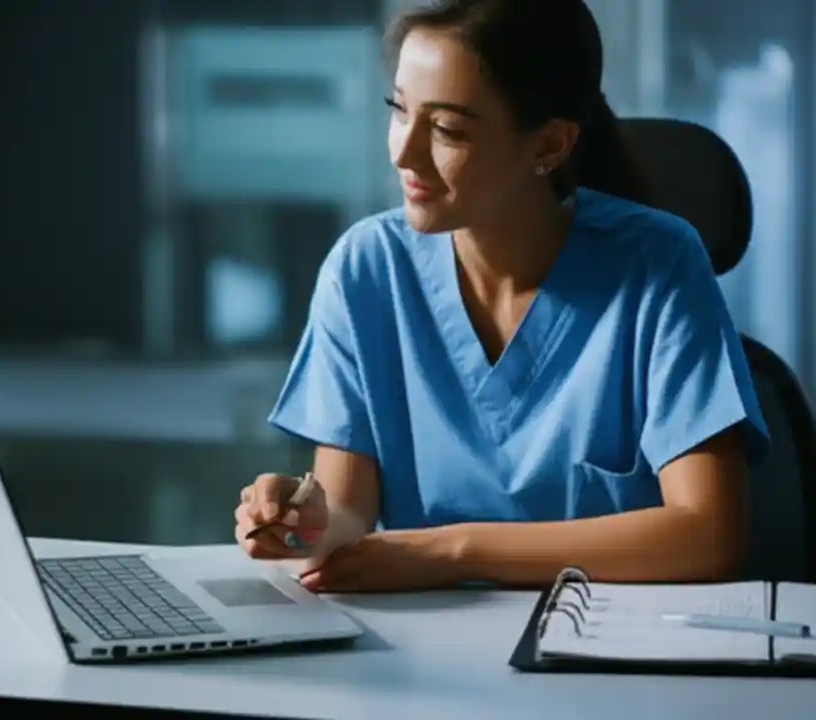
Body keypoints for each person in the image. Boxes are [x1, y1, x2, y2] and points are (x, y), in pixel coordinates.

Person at [233, 0, 769, 592]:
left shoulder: (658, 266)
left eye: (446, 130)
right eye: (399, 110)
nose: (404, 153)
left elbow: (707, 533)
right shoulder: (366, 270)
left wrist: (456, 550)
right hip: (421, 657)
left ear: (549, 146)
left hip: (611, 658)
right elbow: (347, 514)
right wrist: (302, 522)